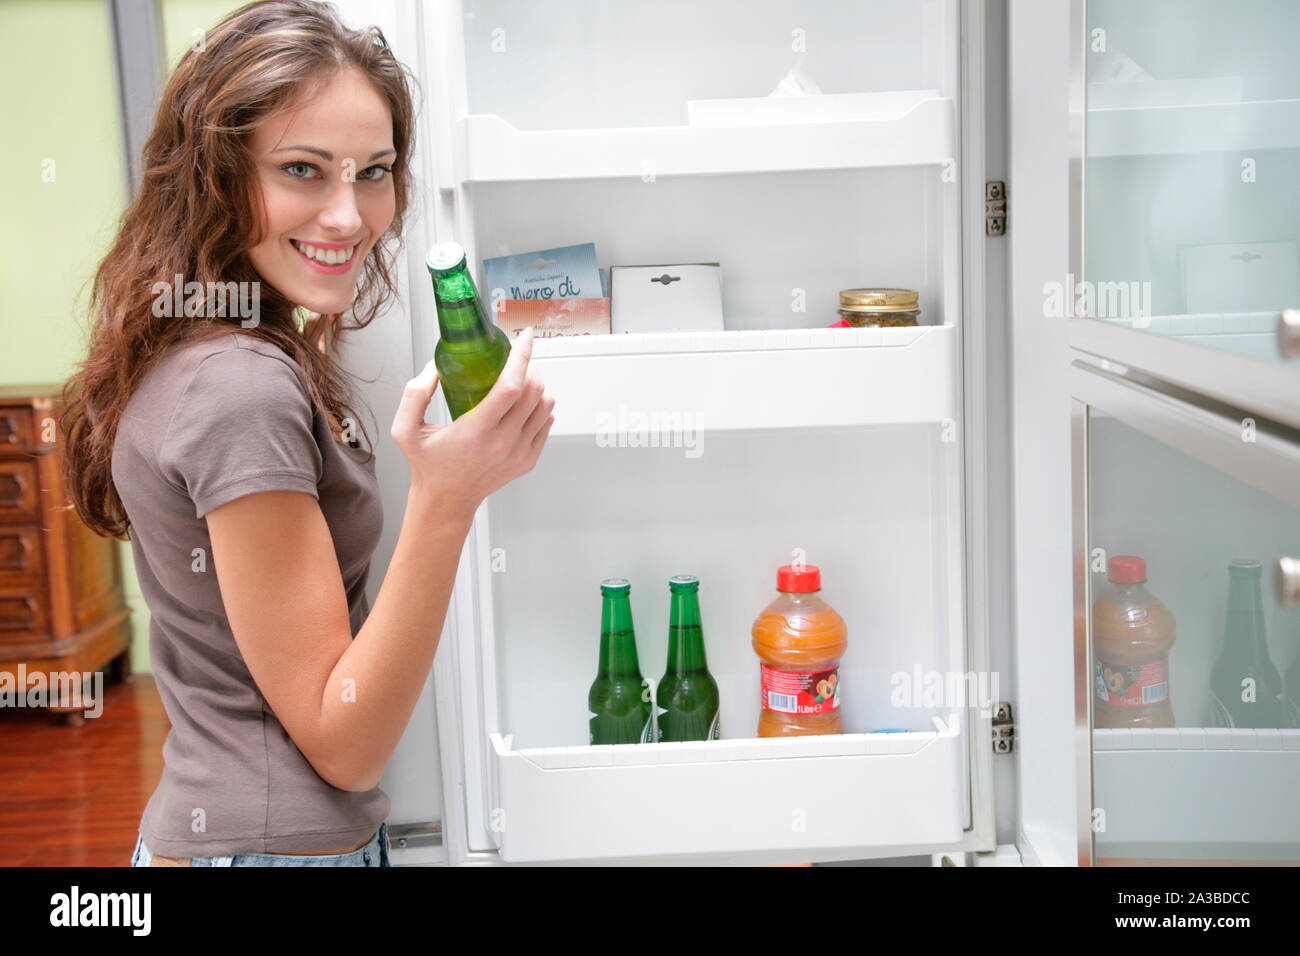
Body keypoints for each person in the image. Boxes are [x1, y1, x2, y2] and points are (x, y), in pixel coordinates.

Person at [58, 0, 554, 867]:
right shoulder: (241, 388)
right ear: (215, 175)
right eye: (303, 170)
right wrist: (447, 499)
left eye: (374, 171)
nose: (349, 216)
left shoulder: (226, 342)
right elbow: (344, 741)